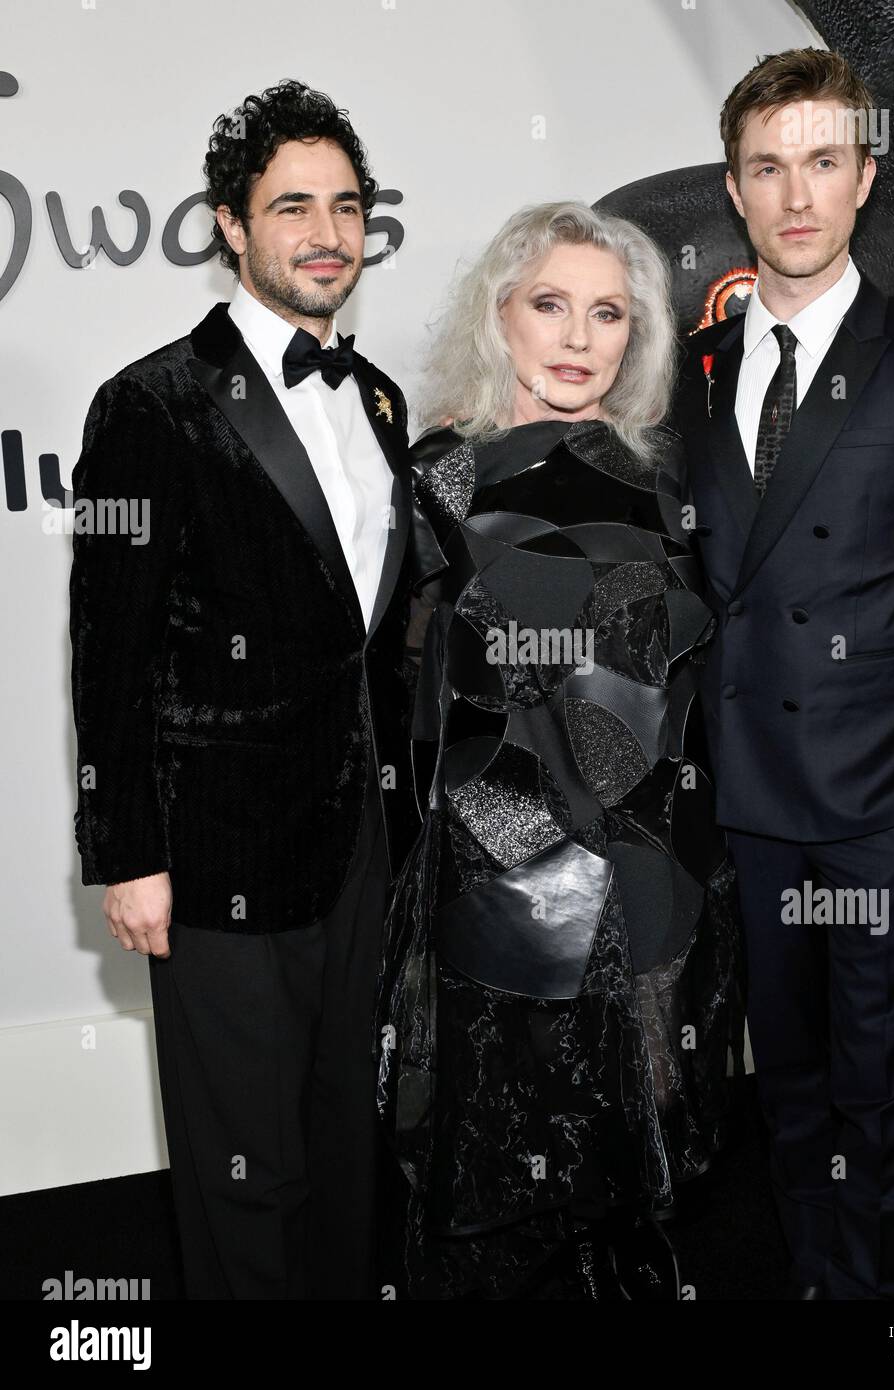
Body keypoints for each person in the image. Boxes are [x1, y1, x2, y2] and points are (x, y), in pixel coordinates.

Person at [673, 48, 894, 1300]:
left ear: (866, 176)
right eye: (769, 168)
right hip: (752, 802)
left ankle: (875, 1296)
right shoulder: (702, 366)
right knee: (791, 1084)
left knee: (880, 1091)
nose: (797, 194)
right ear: (735, 187)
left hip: (883, 797)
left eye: (823, 161)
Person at [68, 80, 420, 1298]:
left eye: (347, 205)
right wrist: (126, 851)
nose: (326, 231)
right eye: (292, 207)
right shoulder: (151, 405)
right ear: (231, 225)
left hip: (364, 842)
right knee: (245, 1169)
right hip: (215, 851)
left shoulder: (379, 400)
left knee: (347, 1145)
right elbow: (106, 649)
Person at [374, 201, 746, 1300]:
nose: (581, 338)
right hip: (504, 876)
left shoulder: (668, 487)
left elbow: (696, 685)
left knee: (638, 1191)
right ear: (502, 318)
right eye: (552, 306)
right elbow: (395, 698)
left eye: (610, 314)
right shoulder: (439, 477)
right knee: (502, 1191)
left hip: (660, 873)